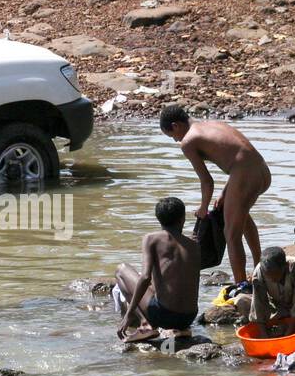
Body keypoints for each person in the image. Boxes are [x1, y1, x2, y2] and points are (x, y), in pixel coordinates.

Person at [159, 104, 271, 286]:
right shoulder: (211, 124)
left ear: (176, 125)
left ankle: (241, 286)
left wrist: (203, 208)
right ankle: (259, 267)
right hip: (262, 171)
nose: (175, 140)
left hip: (245, 175)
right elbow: (239, 156)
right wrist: (225, 192)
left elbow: (206, 181)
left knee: (230, 233)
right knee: (241, 218)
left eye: (172, 136)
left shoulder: (188, 141)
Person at [115, 196, 201, 343]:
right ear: (183, 219)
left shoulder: (151, 238)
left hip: (164, 316)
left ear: (159, 219)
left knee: (121, 270)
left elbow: (145, 277)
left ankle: (145, 324)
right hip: (188, 317)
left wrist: (129, 313)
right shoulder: (194, 245)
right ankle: (179, 330)